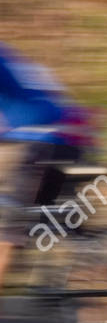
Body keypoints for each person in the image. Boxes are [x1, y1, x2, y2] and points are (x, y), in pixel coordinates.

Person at [0, 43, 96, 290]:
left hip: (43, 143)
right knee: (69, 226)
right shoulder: (10, 55)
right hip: (75, 139)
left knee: (7, 231)